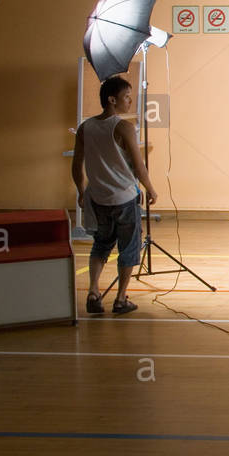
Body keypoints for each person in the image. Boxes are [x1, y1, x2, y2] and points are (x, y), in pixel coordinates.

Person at [71, 75, 157, 315]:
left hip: (97, 198)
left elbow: (77, 165)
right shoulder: (123, 127)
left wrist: (80, 191)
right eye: (126, 97)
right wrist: (150, 188)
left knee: (100, 245)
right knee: (129, 248)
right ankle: (120, 299)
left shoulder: (85, 128)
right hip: (124, 198)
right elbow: (139, 166)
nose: (130, 102)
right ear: (111, 100)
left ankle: (93, 292)